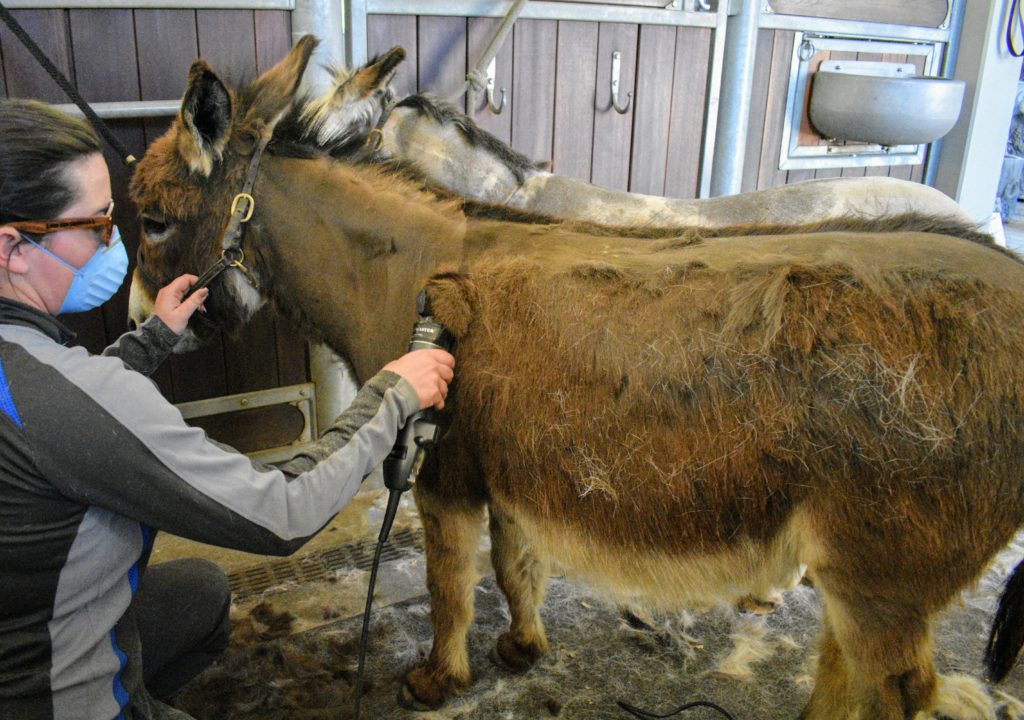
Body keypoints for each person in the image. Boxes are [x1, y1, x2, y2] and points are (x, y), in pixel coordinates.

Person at [0, 99, 455, 720]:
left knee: (200, 591)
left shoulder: (25, 369)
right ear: (14, 248)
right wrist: (392, 393)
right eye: (96, 226)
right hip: (44, 698)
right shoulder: (63, 401)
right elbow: (281, 512)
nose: (112, 242)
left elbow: (61, 409)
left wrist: (152, 338)